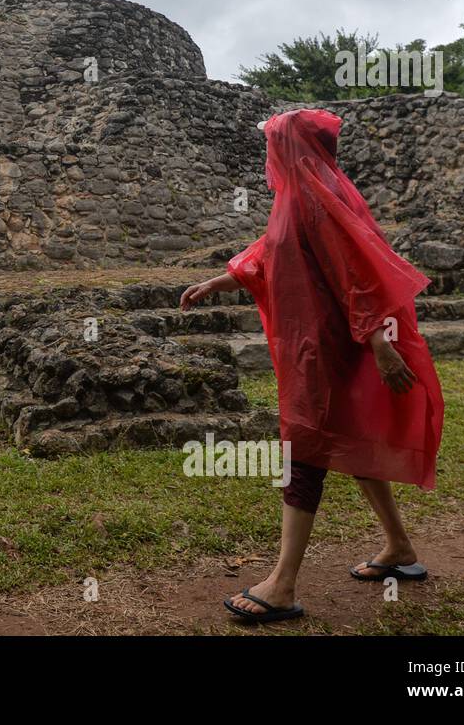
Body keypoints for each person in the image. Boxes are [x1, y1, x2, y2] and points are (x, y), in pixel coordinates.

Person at [179, 109, 445, 623]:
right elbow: (269, 255)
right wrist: (218, 282)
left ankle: (281, 585)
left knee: (303, 447)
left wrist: (380, 345)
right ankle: (399, 547)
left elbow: (358, 273)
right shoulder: (301, 196)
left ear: (290, 146)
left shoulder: (317, 197)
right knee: (345, 438)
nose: (269, 151)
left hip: (327, 348)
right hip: (316, 344)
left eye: (274, 141)